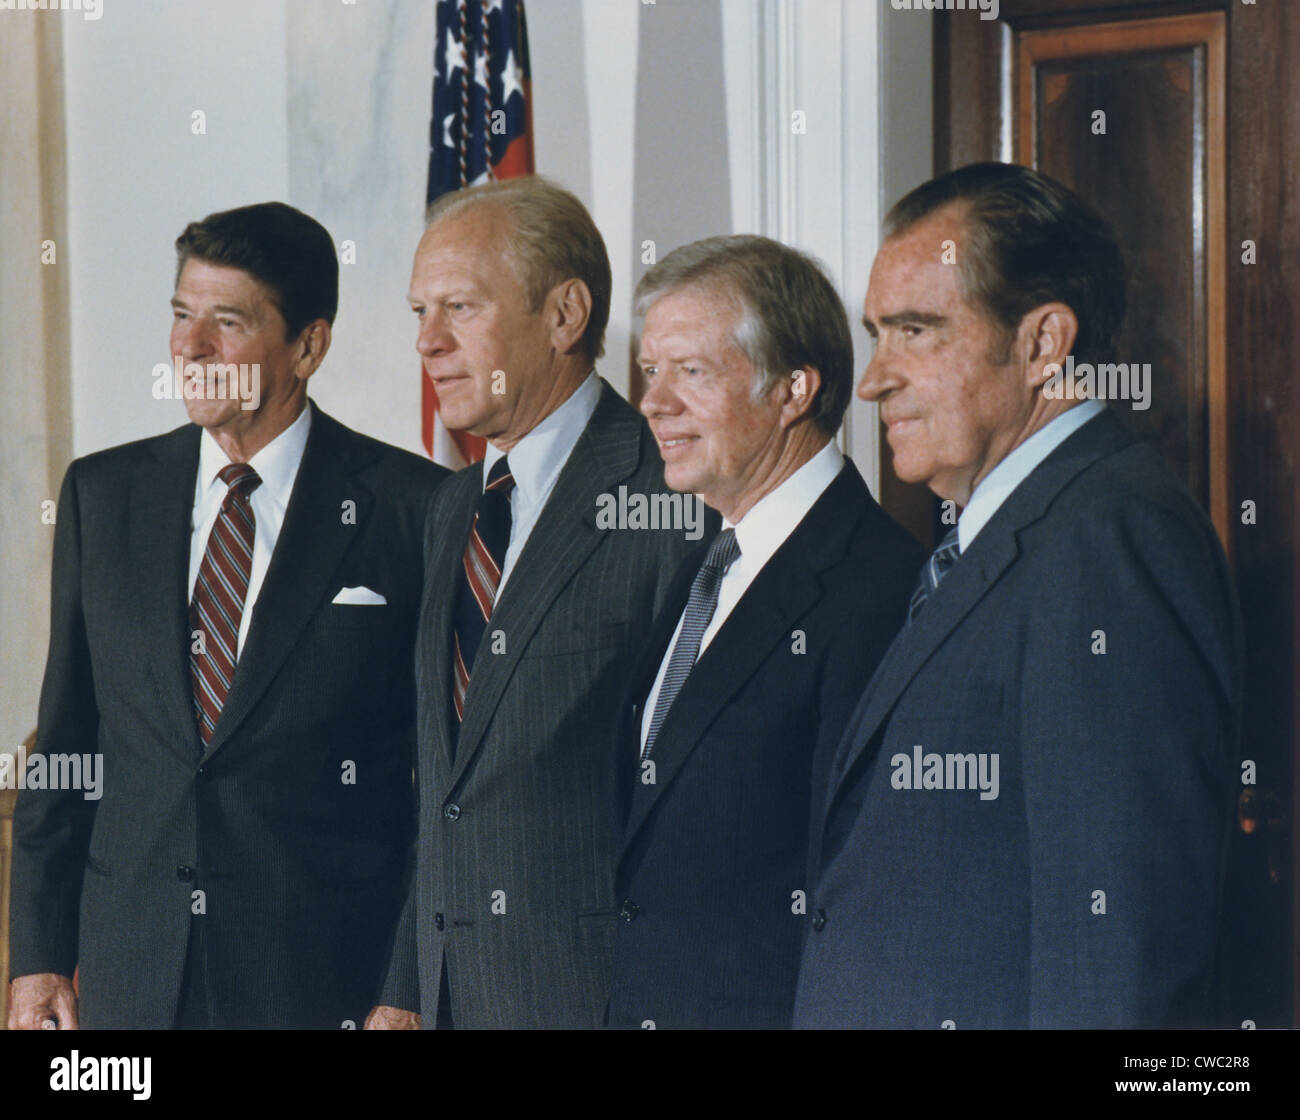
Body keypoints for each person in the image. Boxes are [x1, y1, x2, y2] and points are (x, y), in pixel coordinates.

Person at [794, 163, 1241, 1029]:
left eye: (916, 331)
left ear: (1043, 344)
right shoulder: (1009, 528)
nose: (875, 378)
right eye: (877, 333)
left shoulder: (1108, 538)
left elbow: (1120, 951)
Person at [7, 201, 447, 1030]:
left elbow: (441, 795)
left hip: (324, 986)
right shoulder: (103, 496)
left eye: (227, 322)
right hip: (130, 983)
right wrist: (34, 959)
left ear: (308, 345)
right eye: (181, 315)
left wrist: (406, 988)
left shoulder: (412, 509)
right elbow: (66, 748)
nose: (189, 346)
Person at [368, 177, 707, 1030]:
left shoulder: (672, 495)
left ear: (564, 316)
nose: (429, 343)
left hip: (589, 998)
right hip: (447, 996)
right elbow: (446, 786)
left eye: (460, 308)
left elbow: (696, 815)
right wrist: (406, 988)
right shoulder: (453, 506)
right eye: (419, 313)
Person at [602, 236, 922, 1029]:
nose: (653, 402)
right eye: (651, 372)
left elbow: (865, 891)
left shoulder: (880, 586)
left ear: (794, 390)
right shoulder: (703, 565)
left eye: (692, 372)